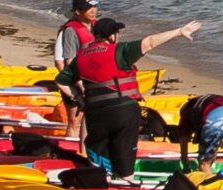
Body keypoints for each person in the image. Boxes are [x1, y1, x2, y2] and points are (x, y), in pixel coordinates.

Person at [72, 14, 202, 178]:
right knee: (124, 161)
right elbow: (150, 42)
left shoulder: (82, 55)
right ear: (112, 36)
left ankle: (99, 181)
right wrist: (179, 32)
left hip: (96, 114)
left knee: (100, 159)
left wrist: (81, 99)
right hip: (124, 113)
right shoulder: (121, 50)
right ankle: (125, 183)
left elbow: (62, 80)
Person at [51, 0, 102, 140]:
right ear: (78, 12)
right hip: (74, 83)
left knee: (90, 121)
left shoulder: (96, 27)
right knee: (75, 121)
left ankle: (86, 148)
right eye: (88, 8)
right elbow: (62, 62)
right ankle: (72, 150)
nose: (93, 11)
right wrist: (79, 88)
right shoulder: (69, 31)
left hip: (91, 81)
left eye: (94, 6)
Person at [176, 92, 223, 181]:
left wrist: (185, 165)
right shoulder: (203, 102)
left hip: (215, 118)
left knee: (204, 164)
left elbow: (183, 139)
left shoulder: (187, 112)